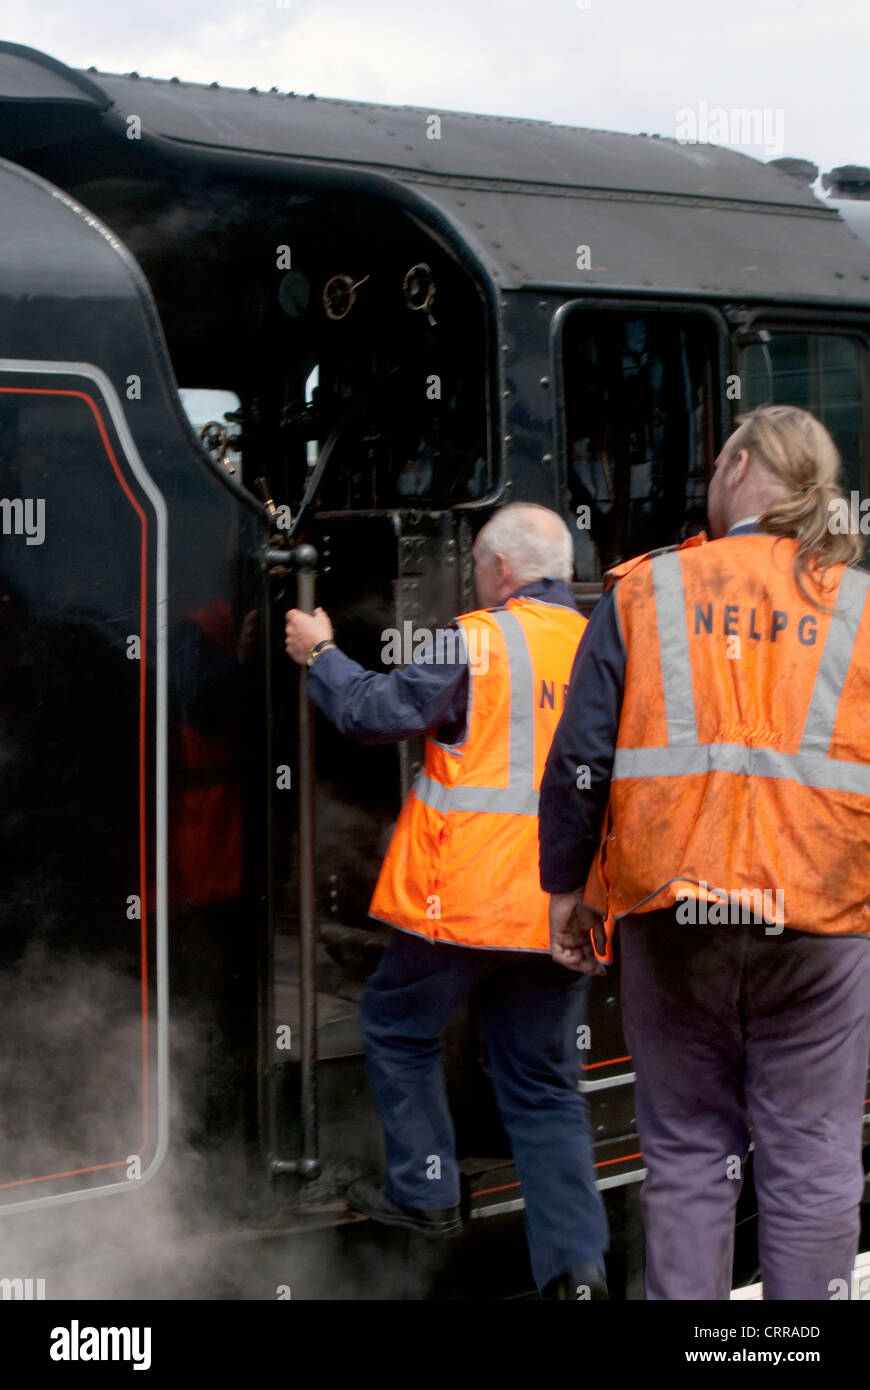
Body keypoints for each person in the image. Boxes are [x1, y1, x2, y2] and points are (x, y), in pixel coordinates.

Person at [539, 404, 870, 1300]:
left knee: (688, 1152)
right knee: (812, 1155)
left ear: (736, 468)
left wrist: (567, 887)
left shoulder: (647, 591)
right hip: (822, 925)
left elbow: (581, 759)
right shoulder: (862, 604)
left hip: (675, 920)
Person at [285, 502, 609, 1299]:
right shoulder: (608, 644)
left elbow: (374, 713)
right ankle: (577, 1275)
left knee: (398, 1025)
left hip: (462, 905)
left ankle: (427, 1190)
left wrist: (319, 652)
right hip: (565, 910)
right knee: (541, 1085)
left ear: (498, 569)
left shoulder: (476, 637)